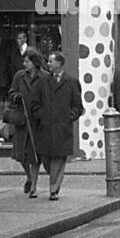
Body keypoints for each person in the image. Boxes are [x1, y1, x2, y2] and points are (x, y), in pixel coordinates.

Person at [32, 50, 84, 199]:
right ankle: (53, 180)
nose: (48, 64)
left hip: (62, 128)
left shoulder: (71, 82)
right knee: (47, 159)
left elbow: (78, 105)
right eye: (48, 61)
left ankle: (54, 190)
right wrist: (41, 116)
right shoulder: (42, 81)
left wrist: (69, 117)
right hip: (46, 127)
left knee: (59, 159)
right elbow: (35, 103)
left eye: (51, 61)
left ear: (59, 63)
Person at [8, 47, 45, 197]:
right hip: (22, 119)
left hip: (37, 121)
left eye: (27, 61)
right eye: (24, 61)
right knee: (21, 154)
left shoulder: (44, 77)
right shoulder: (19, 76)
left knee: (35, 155)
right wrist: (15, 96)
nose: (24, 64)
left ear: (35, 62)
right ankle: (29, 176)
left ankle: (34, 187)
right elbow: (11, 91)